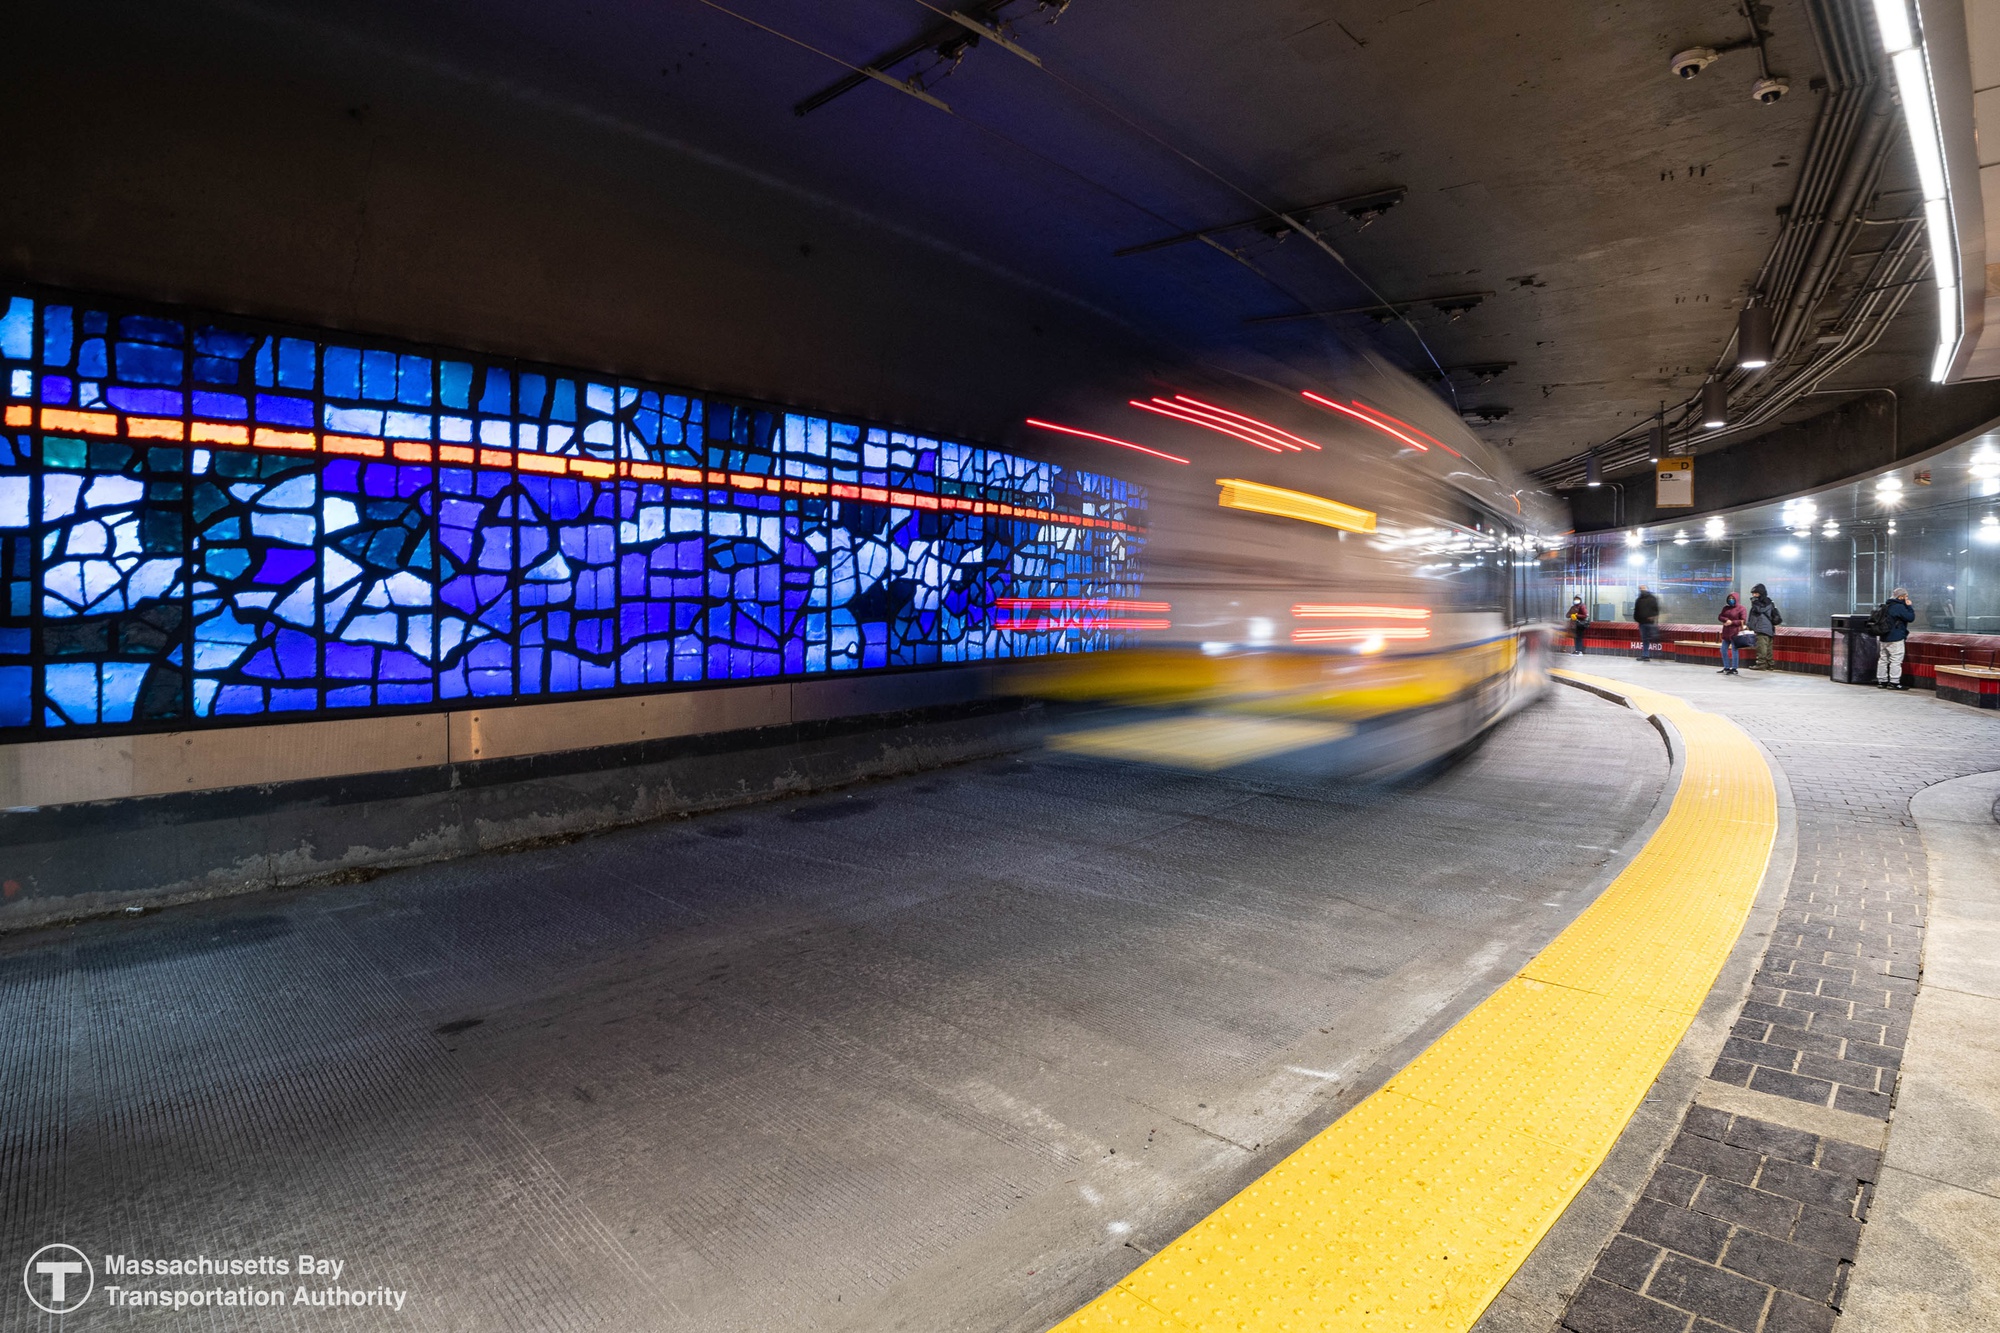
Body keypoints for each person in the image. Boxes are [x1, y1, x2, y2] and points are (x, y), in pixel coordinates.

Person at [1877, 586, 1916, 689]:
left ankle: (1882, 681)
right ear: (1901, 597)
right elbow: (1910, 618)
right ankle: (1894, 682)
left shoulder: (1886, 606)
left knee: (1883, 659)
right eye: (1906, 596)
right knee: (1896, 660)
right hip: (1896, 637)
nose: (1907, 599)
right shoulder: (1898, 607)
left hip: (1884, 637)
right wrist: (1909, 607)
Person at [1747, 583, 1782, 670]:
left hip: (1762, 628)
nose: (1754, 595)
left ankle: (1761, 664)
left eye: (1756, 593)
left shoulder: (1758, 604)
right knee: (1768, 648)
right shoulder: (1769, 602)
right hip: (1769, 628)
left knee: (1761, 647)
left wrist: (1754, 602)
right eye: (1753, 593)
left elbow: (1758, 613)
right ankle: (1770, 664)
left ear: (1761, 593)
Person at [1717, 592, 1746, 675]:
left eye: (1732, 598)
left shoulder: (1741, 608)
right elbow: (1720, 616)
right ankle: (1726, 667)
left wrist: (1731, 622)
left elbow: (1743, 620)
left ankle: (1734, 668)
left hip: (1735, 632)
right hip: (1726, 632)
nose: (1731, 600)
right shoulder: (1725, 608)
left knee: (1734, 650)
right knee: (1723, 650)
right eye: (1729, 598)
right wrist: (1726, 620)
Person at [1633, 585, 1661, 661]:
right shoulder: (1652, 598)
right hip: (1647, 622)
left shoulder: (1639, 599)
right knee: (1649, 638)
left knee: (1646, 639)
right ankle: (1647, 655)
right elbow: (1656, 609)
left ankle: (1646, 655)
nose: (1642, 590)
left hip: (1644, 622)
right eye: (1641, 589)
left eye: (1642, 589)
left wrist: (1637, 619)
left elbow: (1636, 611)